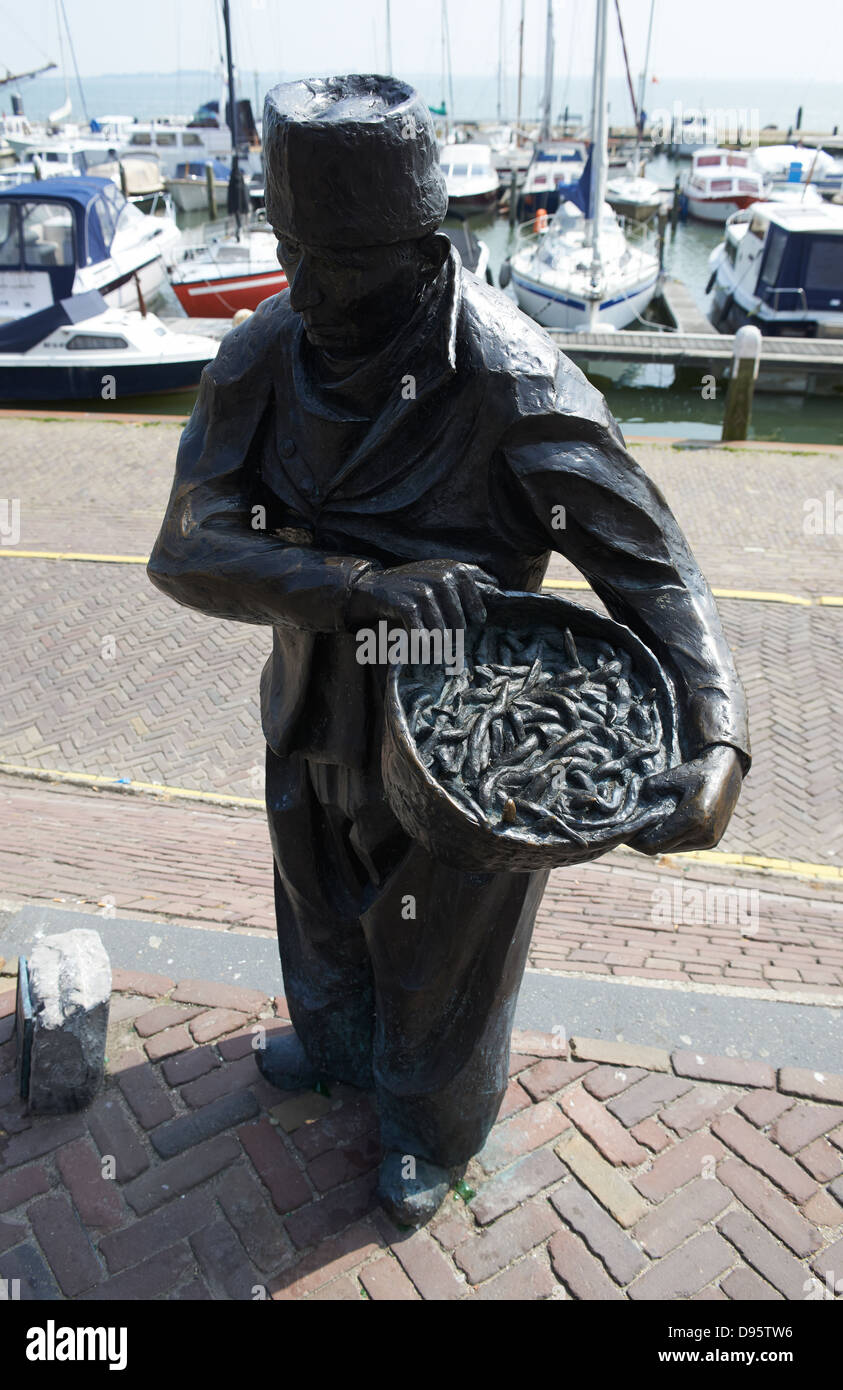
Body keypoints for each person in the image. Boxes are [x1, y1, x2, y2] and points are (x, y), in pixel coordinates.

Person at [148, 75, 749, 1226]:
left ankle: (429, 1127)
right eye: (290, 247)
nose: (304, 284)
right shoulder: (263, 356)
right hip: (310, 711)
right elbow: (185, 547)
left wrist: (717, 741)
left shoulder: (513, 383)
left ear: (421, 247)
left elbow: (651, 563)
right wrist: (363, 587)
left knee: (442, 958)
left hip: (469, 752)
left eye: (336, 260)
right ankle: (331, 1045)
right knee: (316, 905)